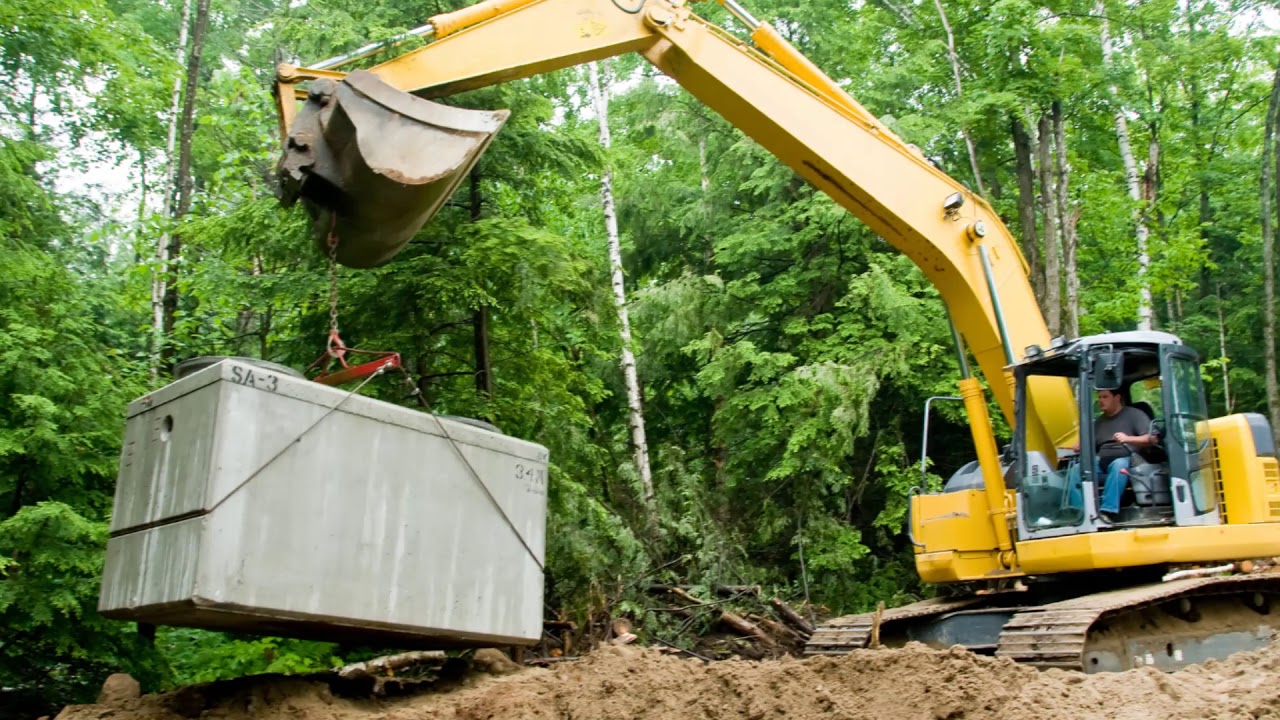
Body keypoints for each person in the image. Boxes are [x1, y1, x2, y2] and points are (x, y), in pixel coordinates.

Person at [1090, 389, 1154, 522]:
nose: (1100, 400)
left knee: (1119, 465)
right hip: (1102, 463)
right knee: (1076, 470)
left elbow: (1152, 439)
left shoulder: (1135, 415)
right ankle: (1080, 510)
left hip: (1130, 461)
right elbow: (1092, 446)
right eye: (1099, 397)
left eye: (1105, 397)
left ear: (1117, 397)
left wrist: (1128, 438)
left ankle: (1108, 511)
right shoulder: (1099, 422)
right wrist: (1081, 446)